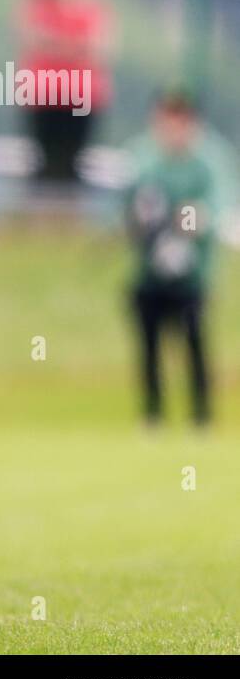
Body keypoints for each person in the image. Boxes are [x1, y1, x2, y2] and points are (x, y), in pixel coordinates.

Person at [124, 90, 227, 430]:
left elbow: (211, 210)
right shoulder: (142, 159)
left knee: (194, 343)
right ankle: (152, 414)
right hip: (150, 274)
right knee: (149, 346)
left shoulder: (209, 161)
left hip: (191, 276)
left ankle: (201, 415)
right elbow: (124, 210)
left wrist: (190, 218)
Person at [17, 0, 113, 182]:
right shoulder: (36, 5)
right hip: (43, 95)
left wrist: (54, 43)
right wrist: (76, 46)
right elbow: (32, 40)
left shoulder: (92, 8)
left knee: (75, 165)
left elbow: (99, 50)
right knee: (43, 164)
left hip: (81, 97)